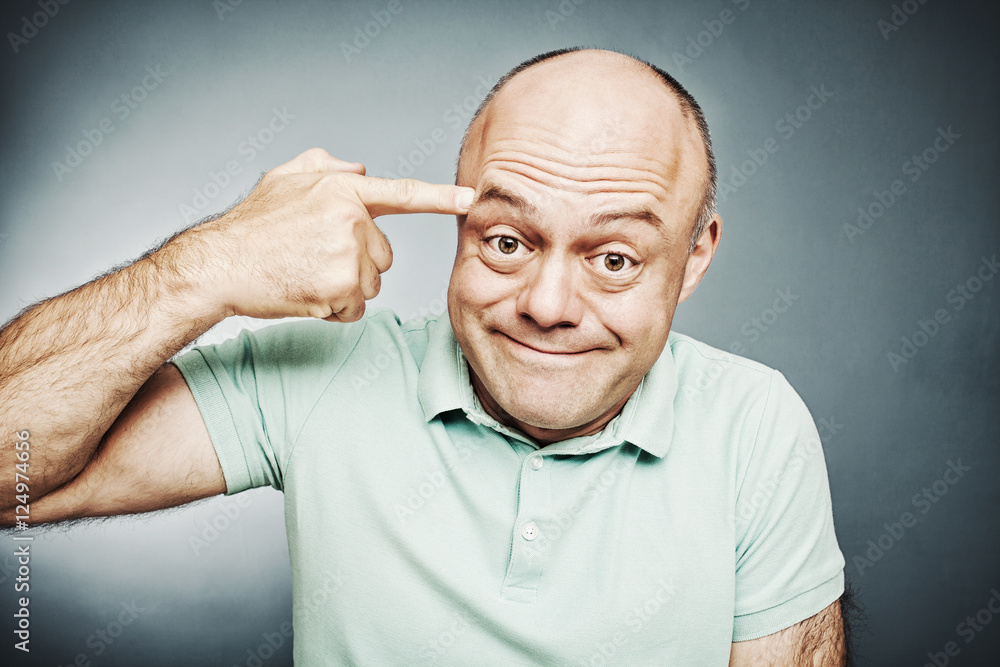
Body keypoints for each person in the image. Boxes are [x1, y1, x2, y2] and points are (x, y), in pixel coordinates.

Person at [0, 48, 846, 664]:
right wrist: (205, 267)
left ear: (695, 256)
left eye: (614, 258)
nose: (547, 306)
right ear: (458, 226)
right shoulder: (322, 373)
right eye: (508, 240)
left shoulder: (755, 426)